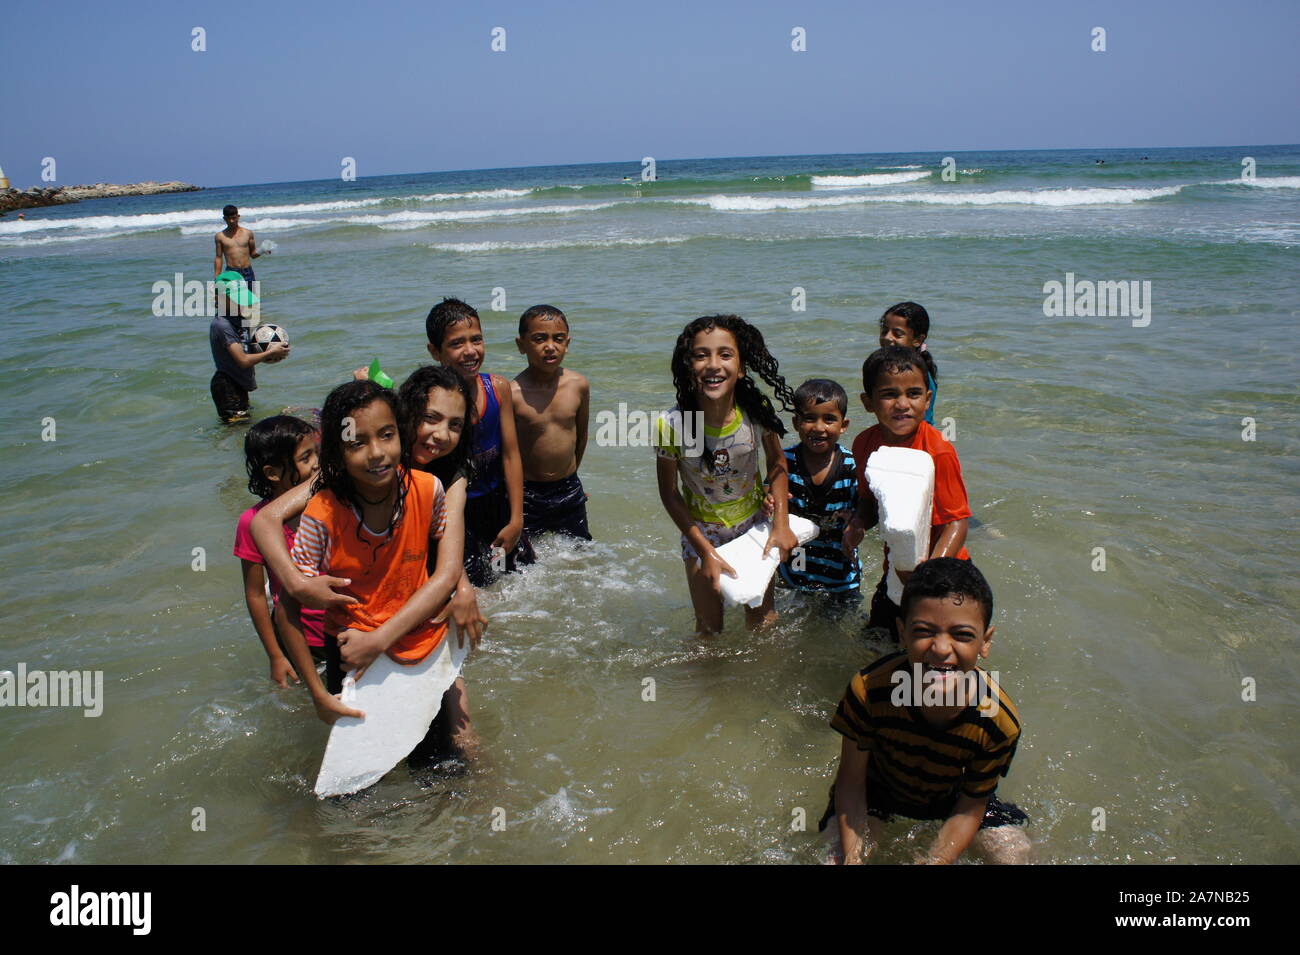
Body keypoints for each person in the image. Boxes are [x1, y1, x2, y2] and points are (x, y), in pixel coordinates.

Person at [252, 369, 486, 759]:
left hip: (415, 622)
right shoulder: (328, 497)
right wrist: (295, 583)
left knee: (446, 751)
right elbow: (264, 523)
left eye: (455, 424)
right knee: (362, 759)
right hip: (358, 637)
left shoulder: (437, 484)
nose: (375, 452)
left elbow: (446, 563)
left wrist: (462, 589)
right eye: (430, 419)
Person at [819, 558, 1030, 865]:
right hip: (877, 793)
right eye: (924, 631)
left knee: (1017, 857)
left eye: (962, 634)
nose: (942, 649)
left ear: (985, 642)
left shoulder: (997, 721)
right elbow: (851, 781)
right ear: (902, 633)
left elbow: (972, 805)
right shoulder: (870, 691)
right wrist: (852, 858)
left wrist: (937, 860)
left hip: (954, 801)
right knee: (835, 861)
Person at [654, 314, 798, 636]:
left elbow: (777, 462)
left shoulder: (755, 413)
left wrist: (781, 524)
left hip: (752, 528)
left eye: (725, 354)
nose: (713, 364)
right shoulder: (673, 424)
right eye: (701, 354)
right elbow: (669, 493)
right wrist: (706, 551)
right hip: (701, 534)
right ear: (687, 365)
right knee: (708, 630)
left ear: (742, 367)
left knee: (764, 622)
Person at [843, 346, 971, 638]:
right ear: (868, 402)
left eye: (913, 394)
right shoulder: (865, 445)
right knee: (875, 641)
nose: (902, 404)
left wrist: (931, 573)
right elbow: (870, 501)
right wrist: (858, 523)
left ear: (928, 400)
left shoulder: (939, 451)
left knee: (936, 648)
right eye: (889, 395)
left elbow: (956, 523)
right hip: (897, 569)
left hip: (945, 569)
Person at [425, 297, 531, 585]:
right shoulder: (430, 401)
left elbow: (511, 455)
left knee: (510, 576)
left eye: (477, 340)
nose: (470, 351)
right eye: (457, 343)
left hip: (497, 507)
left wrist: (516, 520)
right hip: (454, 516)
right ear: (435, 351)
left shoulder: (497, 388)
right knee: (476, 584)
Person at [233, 415, 325, 685]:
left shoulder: (330, 504)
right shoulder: (253, 522)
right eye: (306, 457)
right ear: (273, 473)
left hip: (344, 626)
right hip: (299, 636)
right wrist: (275, 655)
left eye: (317, 453)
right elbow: (255, 595)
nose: (317, 463)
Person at [510, 305, 592, 547]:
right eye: (539, 338)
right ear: (521, 345)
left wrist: (572, 477)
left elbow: (581, 434)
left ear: (568, 343)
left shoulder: (578, 385)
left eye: (558, 339)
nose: (550, 346)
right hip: (527, 493)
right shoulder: (512, 393)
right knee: (522, 560)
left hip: (569, 489)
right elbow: (509, 452)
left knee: (580, 554)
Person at [776, 379, 861, 605]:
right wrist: (768, 500)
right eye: (810, 418)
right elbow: (768, 492)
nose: (819, 427)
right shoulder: (784, 461)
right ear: (796, 422)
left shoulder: (852, 466)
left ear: (844, 425)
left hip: (841, 572)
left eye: (829, 419)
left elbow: (867, 507)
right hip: (794, 568)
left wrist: (858, 520)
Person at [208, 280, 287, 423]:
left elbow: (246, 350)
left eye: (243, 299)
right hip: (227, 387)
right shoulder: (222, 325)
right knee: (236, 431)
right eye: (236, 300)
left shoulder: (239, 320)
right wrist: (270, 353)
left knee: (244, 426)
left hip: (239, 384)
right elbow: (243, 361)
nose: (242, 304)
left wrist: (274, 353)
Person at [877, 302, 938, 425]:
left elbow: (921, 419)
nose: (888, 337)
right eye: (884, 331)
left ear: (918, 340)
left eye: (897, 334)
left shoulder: (918, 374)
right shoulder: (890, 368)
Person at [213, 204, 267, 286]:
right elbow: (218, 257)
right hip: (231, 273)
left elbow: (253, 254)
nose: (231, 221)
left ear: (238, 216)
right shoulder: (220, 236)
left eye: (234, 218)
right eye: (228, 219)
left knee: (253, 298)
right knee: (234, 298)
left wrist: (263, 250)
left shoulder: (248, 233)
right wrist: (217, 277)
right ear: (224, 219)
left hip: (248, 272)